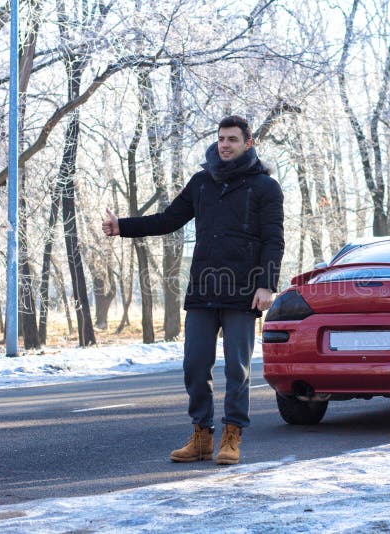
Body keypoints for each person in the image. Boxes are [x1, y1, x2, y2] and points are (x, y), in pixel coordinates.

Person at [102, 115, 284, 465]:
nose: (225, 145)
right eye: (221, 138)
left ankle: (232, 436)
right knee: (195, 366)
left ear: (248, 143)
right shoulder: (202, 182)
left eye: (232, 139)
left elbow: (274, 240)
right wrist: (122, 226)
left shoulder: (265, 187)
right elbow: (168, 219)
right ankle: (201, 436)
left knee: (237, 369)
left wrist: (266, 285)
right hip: (203, 288)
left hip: (244, 290)